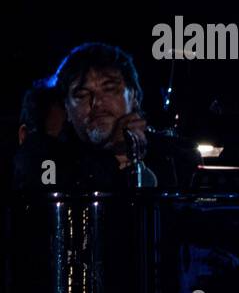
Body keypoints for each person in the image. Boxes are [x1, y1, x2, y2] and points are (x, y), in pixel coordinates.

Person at [12, 43, 198, 190]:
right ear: (67, 107)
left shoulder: (176, 155)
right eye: (82, 95)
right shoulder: (44, 158)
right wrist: (116, 155)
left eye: (109, 89)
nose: (97, 103)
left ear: (133, 95)